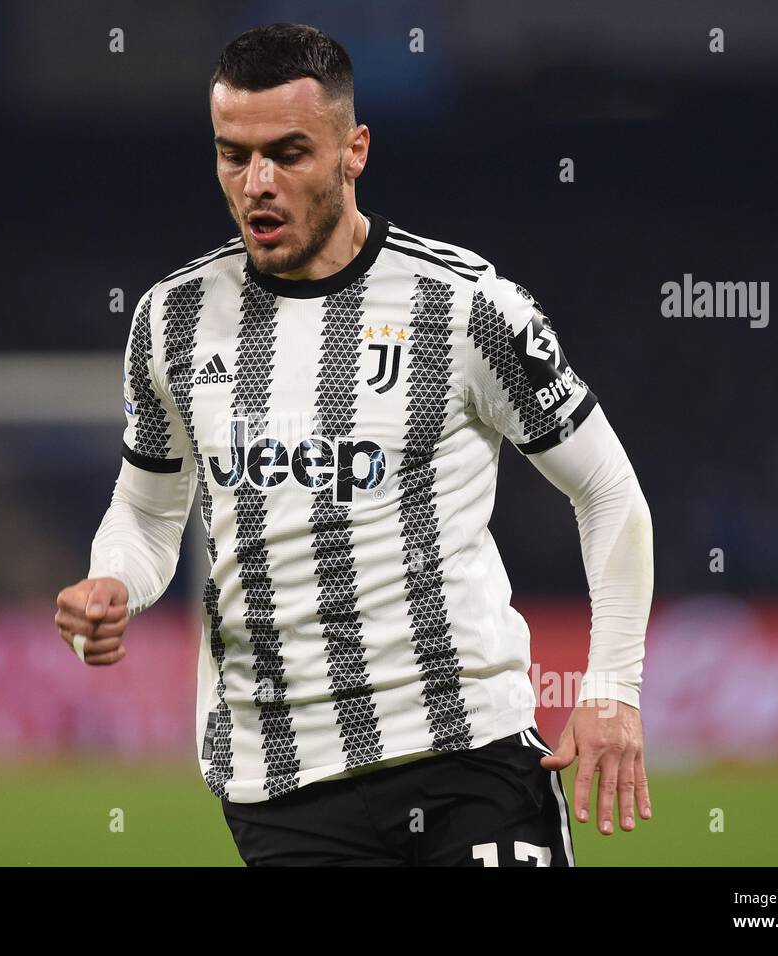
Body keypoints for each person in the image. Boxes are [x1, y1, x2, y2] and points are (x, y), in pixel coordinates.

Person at [56, 22, 653, 866]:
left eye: (288, 153)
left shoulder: (467, 307)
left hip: (469, 761)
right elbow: (149, 510)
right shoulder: (173, 321)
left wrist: (612, 690)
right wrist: (112, 578)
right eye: (234, 155)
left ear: (353, 150)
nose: (257, 183)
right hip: (284, 790)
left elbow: (607, 492)